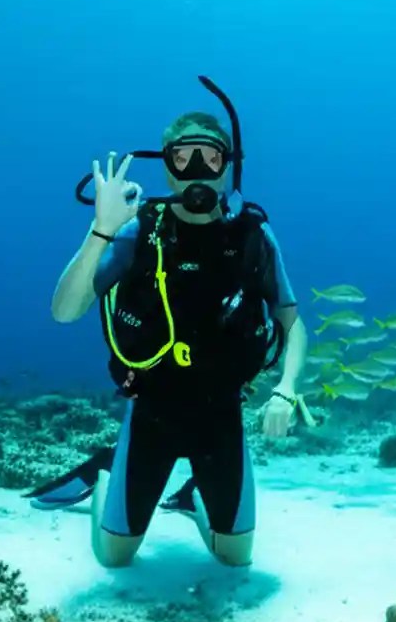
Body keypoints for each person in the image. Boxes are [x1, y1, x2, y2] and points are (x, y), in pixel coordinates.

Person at [36, 77, 309, 568]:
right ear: (167, 167)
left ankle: (191, 496)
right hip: (152, 412)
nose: (198, 171)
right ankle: (107, 472)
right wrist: (101, 228)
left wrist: (287, 388)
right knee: (114, 558)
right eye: (183, 160)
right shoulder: (139, 231)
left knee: (235, 559)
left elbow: (291, 321)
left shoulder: (252, 236)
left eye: (211, 157)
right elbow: (64, 311)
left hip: (222, 413)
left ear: (229, 166)